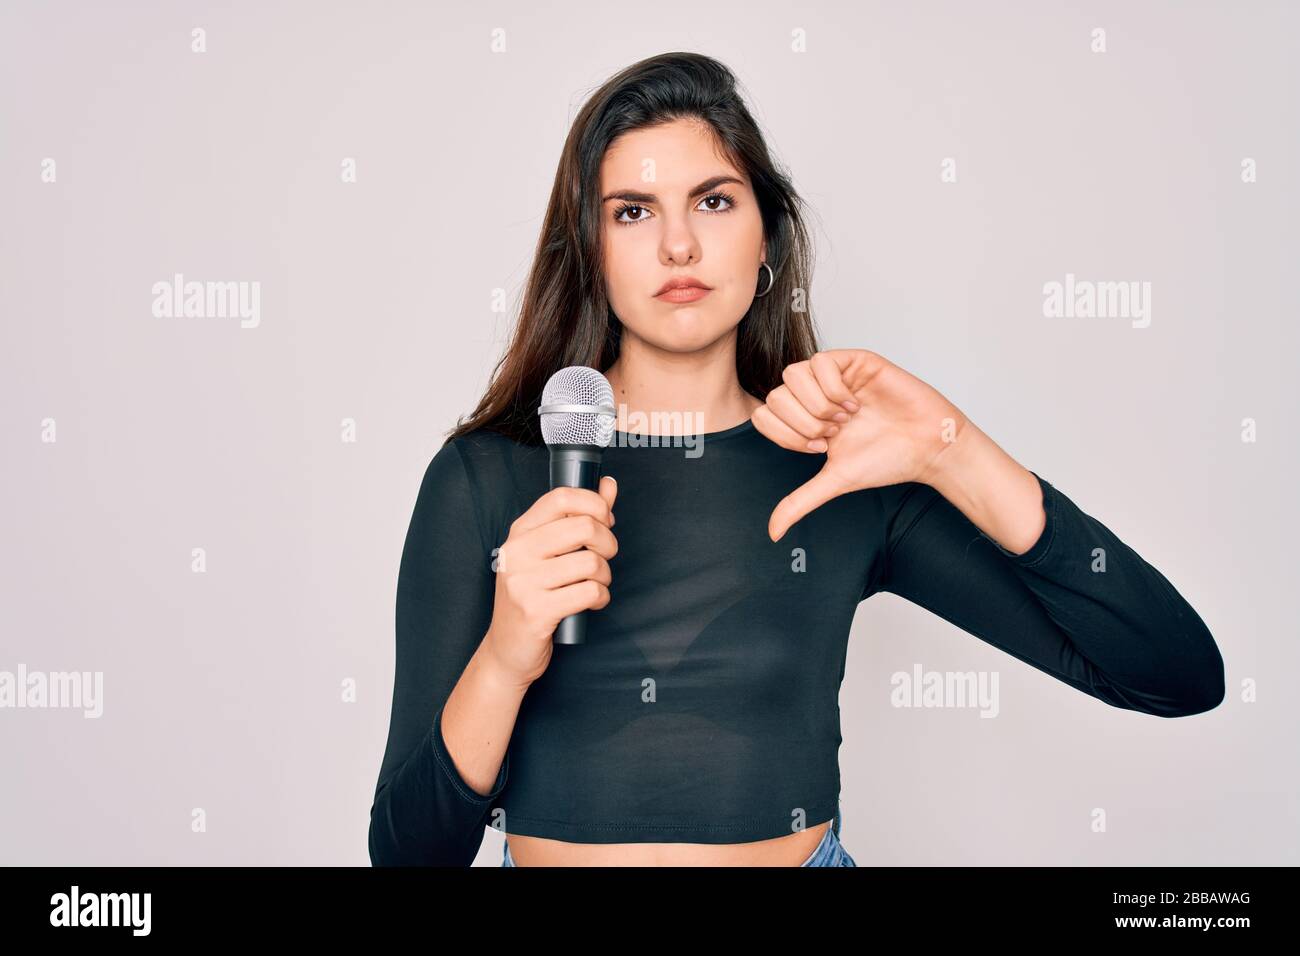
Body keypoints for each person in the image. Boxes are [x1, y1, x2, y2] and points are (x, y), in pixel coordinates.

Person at [367, 52, 1225, 868]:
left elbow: (1173, 675)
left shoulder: (843, 473)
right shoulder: (488, 477)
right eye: (633, 210)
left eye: (713, 202)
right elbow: (408, 853)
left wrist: (950, 450)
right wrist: (508, 654)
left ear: (767, 236)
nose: (678, 247)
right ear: (590, 250)